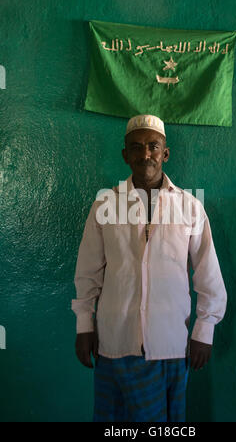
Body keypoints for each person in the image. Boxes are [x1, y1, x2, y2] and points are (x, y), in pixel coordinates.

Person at [71, 114, 227, 422]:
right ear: (125, 154)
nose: (145, 155)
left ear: (165, 153)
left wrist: (204, 329)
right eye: (136, 147)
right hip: (116, 342)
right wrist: (83, 325)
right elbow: (88, 270)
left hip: (170, 343)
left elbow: (208, 273)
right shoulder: (104, 205)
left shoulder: (189, 207)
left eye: (153, 146)